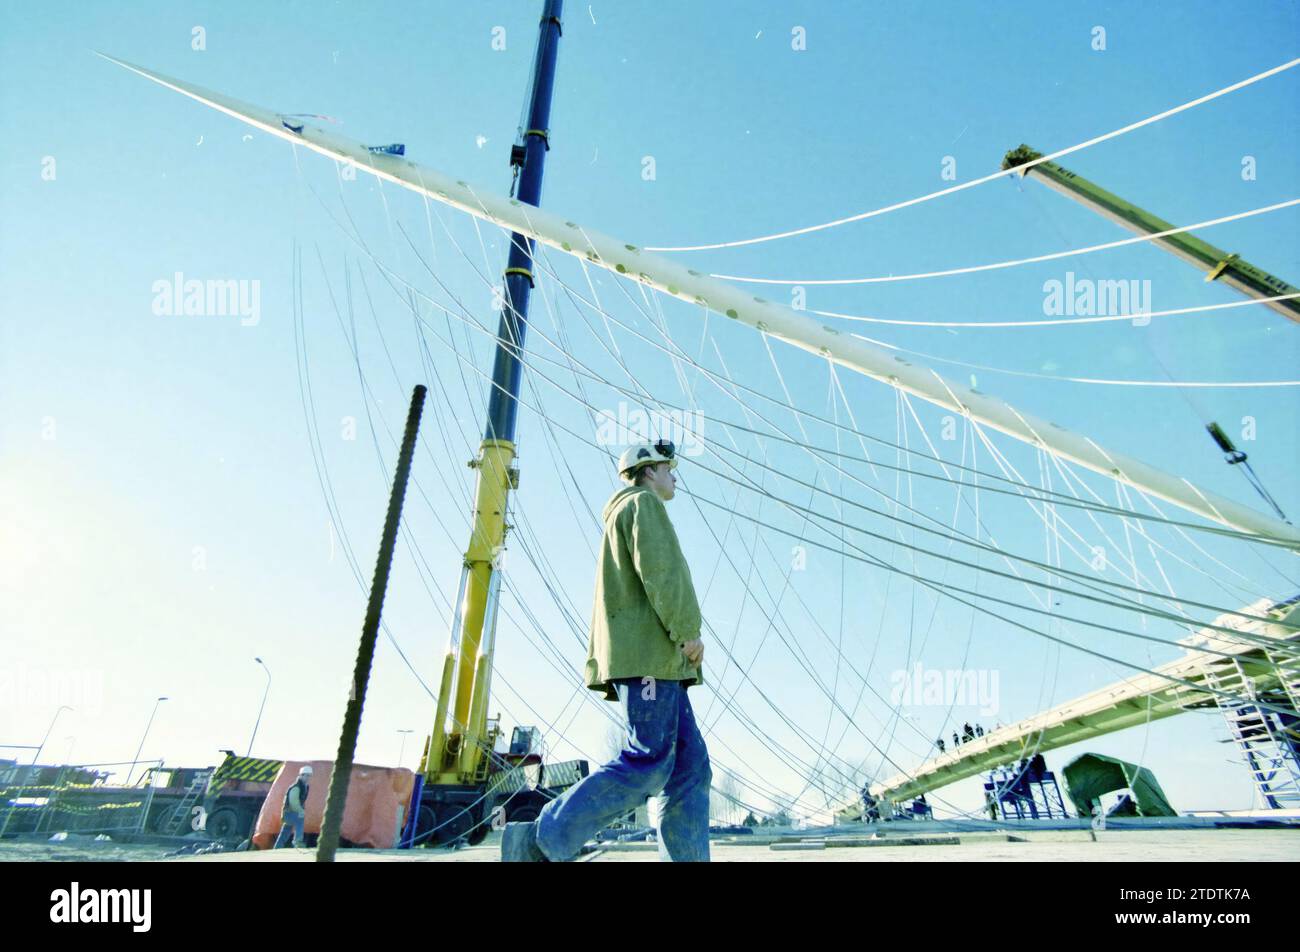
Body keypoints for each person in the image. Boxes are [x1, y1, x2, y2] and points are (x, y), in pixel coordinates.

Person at [502, 440, 711, 862]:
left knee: (690, 769)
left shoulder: (625, 511)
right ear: (648, 471)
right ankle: (540, 839)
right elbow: (662, 573)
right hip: (652, 661)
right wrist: (688, 631)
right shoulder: (643, 506)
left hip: (654, 663)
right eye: (668, 469)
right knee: (649, 760)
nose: (674, 477)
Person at [274, 765, 312, 848]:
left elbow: (301, 801)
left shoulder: (305, 787)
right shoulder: (296, 787)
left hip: (290, 813)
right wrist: (301, 811)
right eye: (306, 775)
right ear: (301, 775)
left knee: (286, 831)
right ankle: (298, 841)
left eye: (309, 776)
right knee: (299, 819)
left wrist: (302, 809)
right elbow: (293, 802)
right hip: (289, 812)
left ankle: (277, 847)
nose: (308, 778)